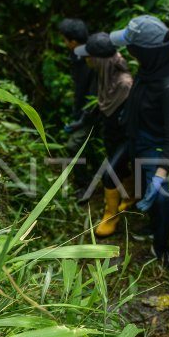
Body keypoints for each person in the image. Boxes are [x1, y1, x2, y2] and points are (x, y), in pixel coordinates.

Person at [108, 15, 169, 269]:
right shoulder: (150, 68)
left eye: (132, 46)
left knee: (162, 195)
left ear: (144, 51)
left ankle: (162, 247)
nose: (128, 50)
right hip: (137, 140)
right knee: (142, 187)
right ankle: (150, 226)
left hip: (156, 148)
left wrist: (161, 173)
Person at [74, 32, 135, 237]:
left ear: (99, 59)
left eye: (89, 56)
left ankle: (111, 217)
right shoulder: (103, 74)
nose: (86, 59)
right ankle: (132, 196)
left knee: (109, 174)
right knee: (121, 169)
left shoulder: (125, 83)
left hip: (127, 137)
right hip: (111, 134)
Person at [56, 18, 98, 200]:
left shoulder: (91, 59)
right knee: (88, 146)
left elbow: (94, 93)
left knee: (74, 146)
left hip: (94, 112)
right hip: (83, 110)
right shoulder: (77, 55)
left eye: (65, 40)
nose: (64, 44)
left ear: (73, 41)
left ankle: (86, 186)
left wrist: (82, 119)